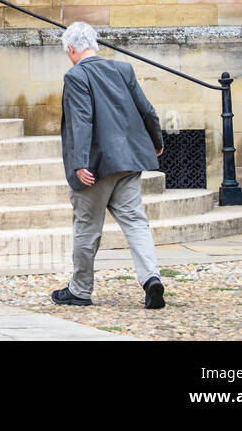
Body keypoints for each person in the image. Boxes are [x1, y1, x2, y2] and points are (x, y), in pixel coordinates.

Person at [52, 21, 167, 310]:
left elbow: (81, 119)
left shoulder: (76, 76)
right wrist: (157, 139)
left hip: (96, 167)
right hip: (129, 161)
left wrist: (79, 162)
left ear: (71, 49)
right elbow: (147, 109)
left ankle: (79, 290)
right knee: (135, 221)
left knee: (87, 229)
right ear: (94, 44)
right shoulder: (123, 69)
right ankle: (151, 278)